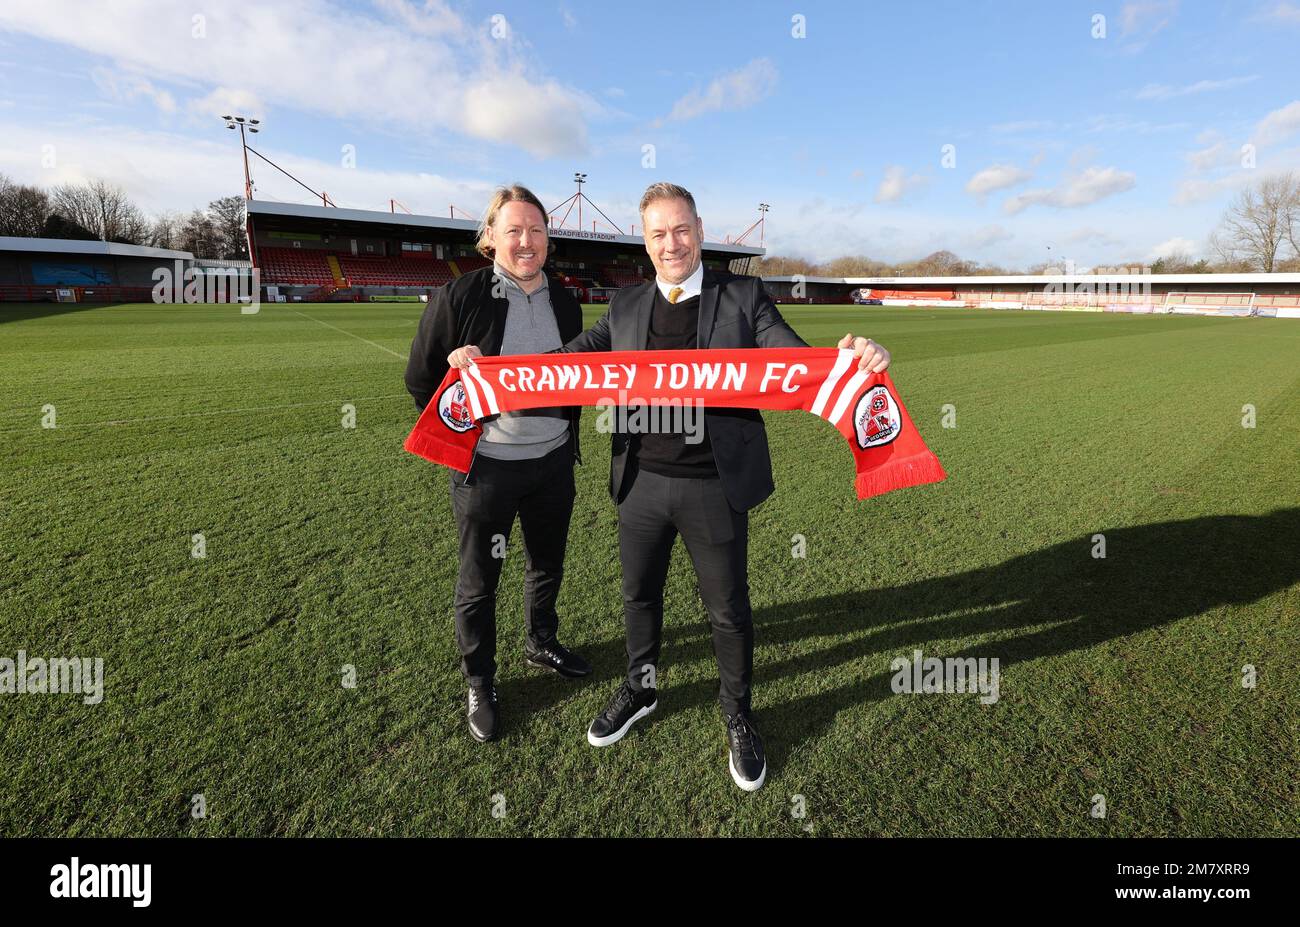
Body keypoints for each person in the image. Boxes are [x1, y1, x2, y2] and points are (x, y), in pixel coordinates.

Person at [450, 182, 890, 790]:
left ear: (700, 231)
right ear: (646, 242)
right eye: (657, 233)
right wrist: (488, 370)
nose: (671, 243)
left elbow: (792, 359)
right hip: (641, 483)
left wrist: (850, 358)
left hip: (714, 485)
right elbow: (566, 362)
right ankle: (640, 688)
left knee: (728, 612)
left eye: (681, 230)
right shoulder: (626, 306)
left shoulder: (743, 298)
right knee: (638, 599)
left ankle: (738, 715)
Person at [406, 184, 592, 744]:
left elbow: (580, 373)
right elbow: (420, 382)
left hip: (554, 461)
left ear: (548, 240)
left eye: (536, 230)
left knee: (546, 563)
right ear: (490, 237)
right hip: (487, 469)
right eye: (513, 229)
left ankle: (541, 639)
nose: (526, 240)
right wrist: (454, 375)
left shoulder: (566, 300)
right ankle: (480, 680)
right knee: (479, 580)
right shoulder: (458, 296)